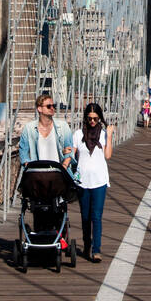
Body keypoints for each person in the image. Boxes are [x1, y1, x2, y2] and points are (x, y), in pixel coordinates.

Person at [72, 102, 113, 262]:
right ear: (85, 118)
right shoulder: (77, 135)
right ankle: (87, 244)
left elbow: (108, 155)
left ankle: (97, 250)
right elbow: (71, 156)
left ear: (100, 118)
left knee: (96, 216)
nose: (93, 122)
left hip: (99, 182)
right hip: (82, 182)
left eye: (96, 119)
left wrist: (109, 136)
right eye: (90, 119)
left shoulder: (103, 134)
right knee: (85, 217)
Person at [18, 90, 75, 169]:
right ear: (39, 109)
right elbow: (23, 152)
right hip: (38, 174)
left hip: (58, 173)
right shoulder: (29, 129)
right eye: (48, 106)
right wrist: (30, 168)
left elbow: (70, 150)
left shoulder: (63, 127)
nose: (52, 108)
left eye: (53, 106)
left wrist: (63, 167)